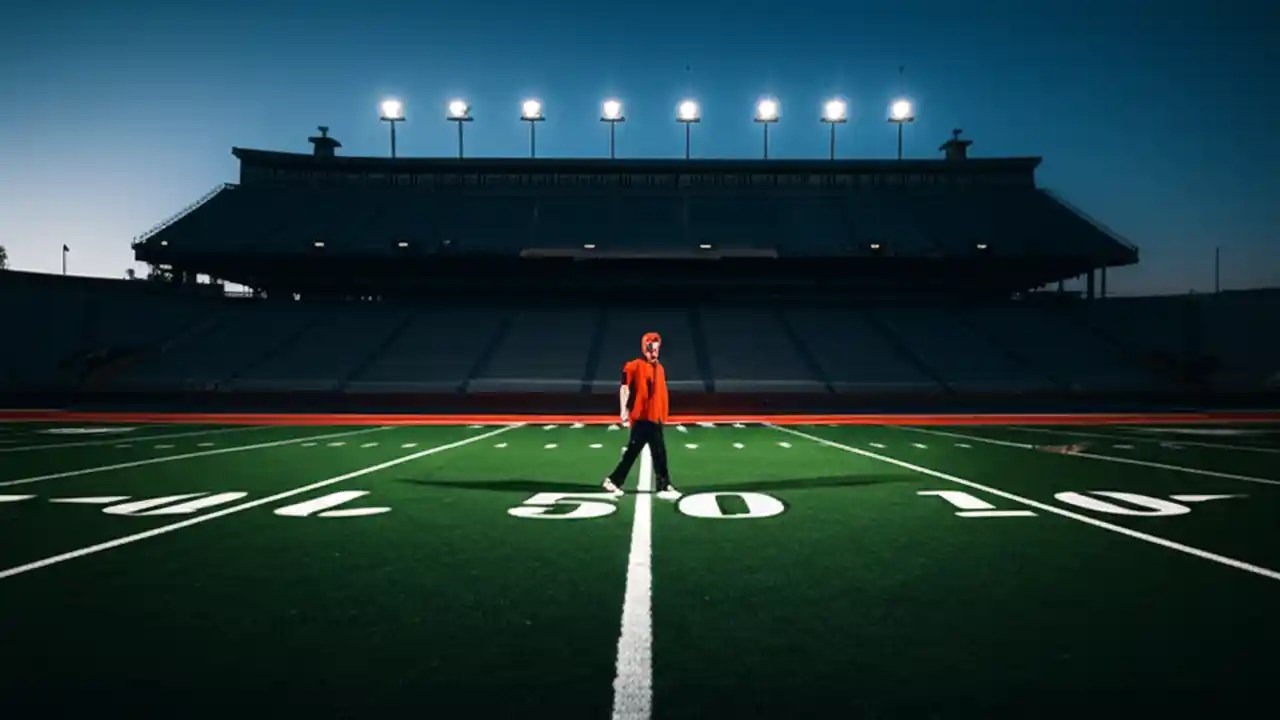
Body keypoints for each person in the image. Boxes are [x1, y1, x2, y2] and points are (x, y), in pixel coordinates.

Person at [603, 331, 680, 499]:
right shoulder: (634, 366)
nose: (654, 353)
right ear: (644, 349)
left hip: (654, 418)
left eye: (656, 349)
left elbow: (660, 395)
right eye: (651, 349)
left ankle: (663, 484)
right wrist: (623, 410)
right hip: (642, 418)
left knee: (658, 452)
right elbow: (625, 387)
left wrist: (662, 415)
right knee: (635, 452)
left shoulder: (659, 369)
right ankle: (613, 481)